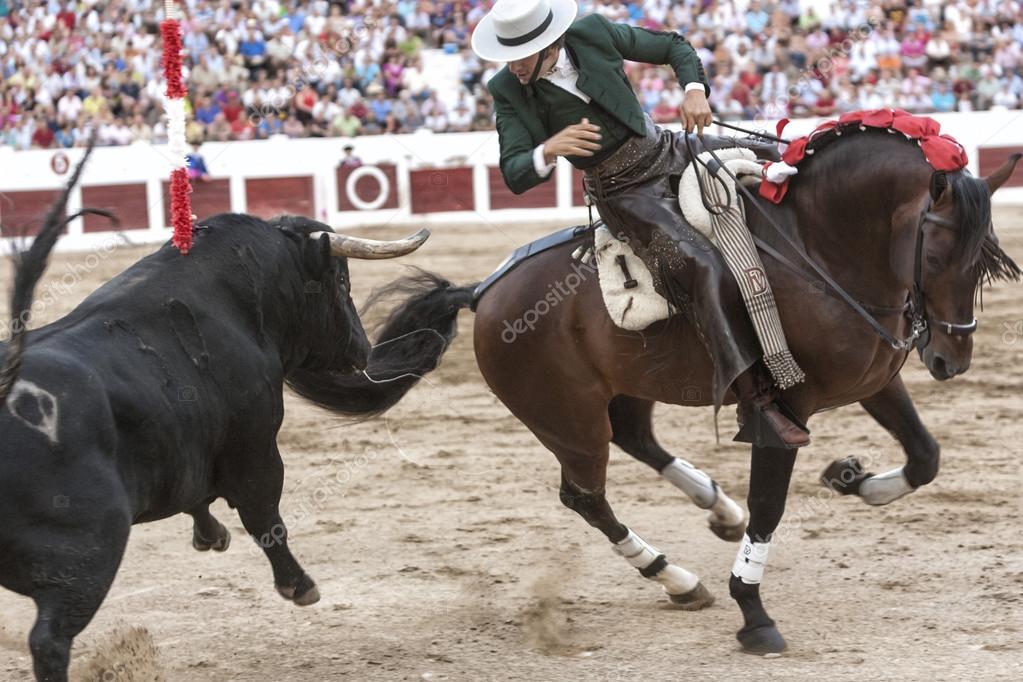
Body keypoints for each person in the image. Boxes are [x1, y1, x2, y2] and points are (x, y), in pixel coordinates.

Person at [472, 0, 809, 448]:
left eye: (521, 56)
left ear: (550, 46)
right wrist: (549, 148)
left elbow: (673, 46)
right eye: (509, 56)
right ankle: (757, 403)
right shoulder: (507, 89)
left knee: (779, 156)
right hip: (623, 194)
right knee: (699, 265)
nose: (513, 66)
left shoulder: (592, 32)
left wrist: (693, 89)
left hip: (669, 149)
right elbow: (514, 172)